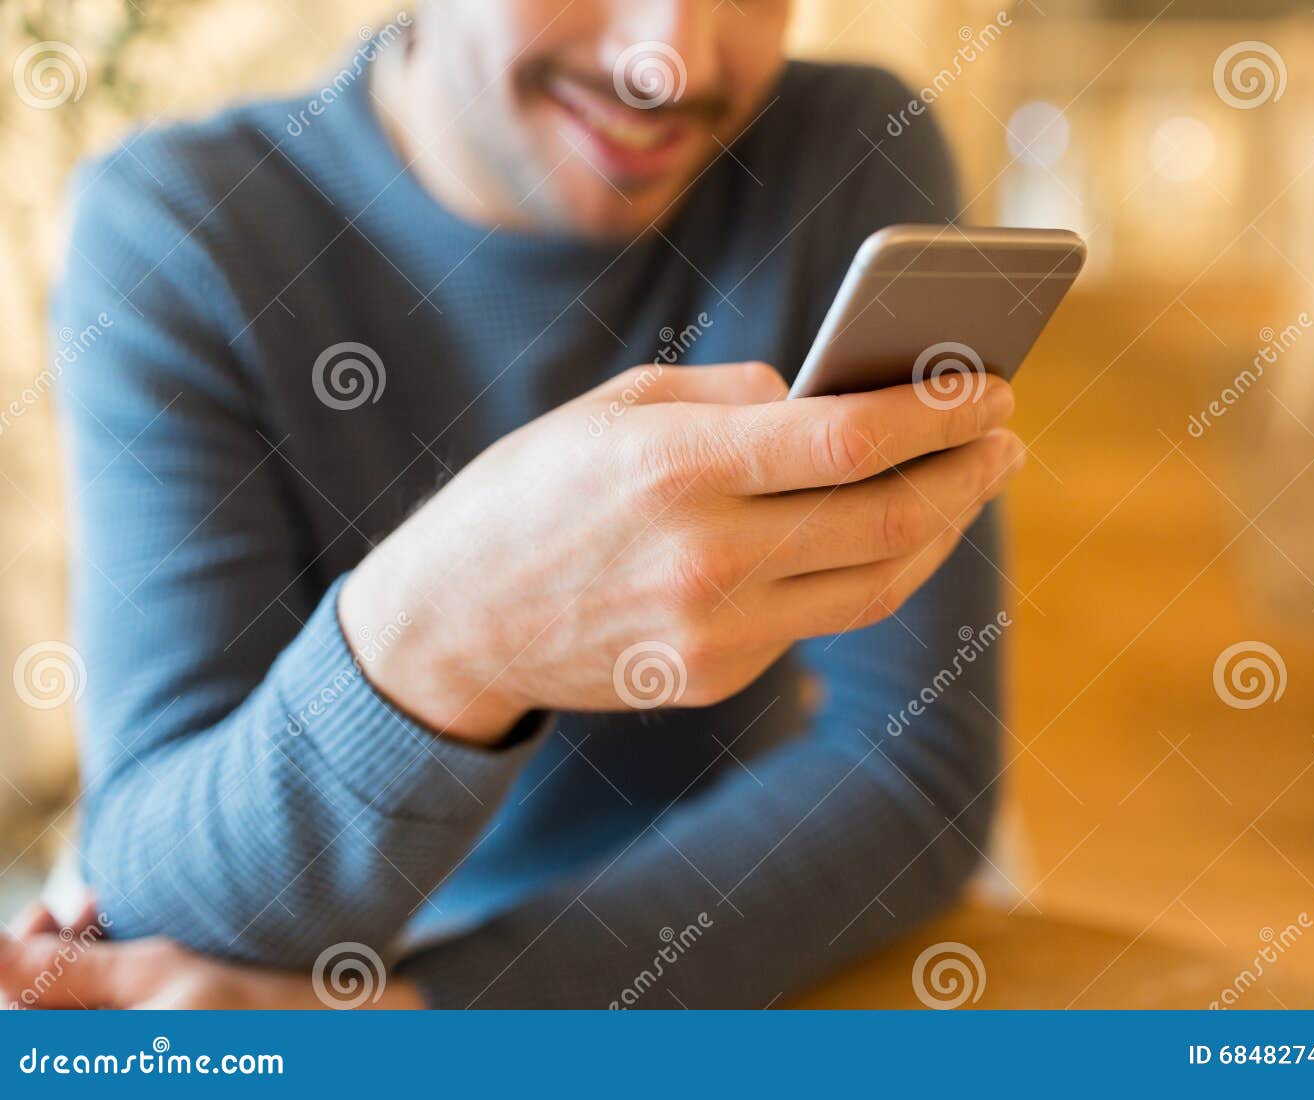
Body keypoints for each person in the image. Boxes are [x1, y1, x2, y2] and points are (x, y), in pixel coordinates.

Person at [0, 0, 1024, 1009]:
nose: (669, 61)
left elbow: (915, 771)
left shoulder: (841, 152)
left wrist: (430, 1017)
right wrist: (449, 630)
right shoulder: (181, 229)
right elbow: (164, 916)